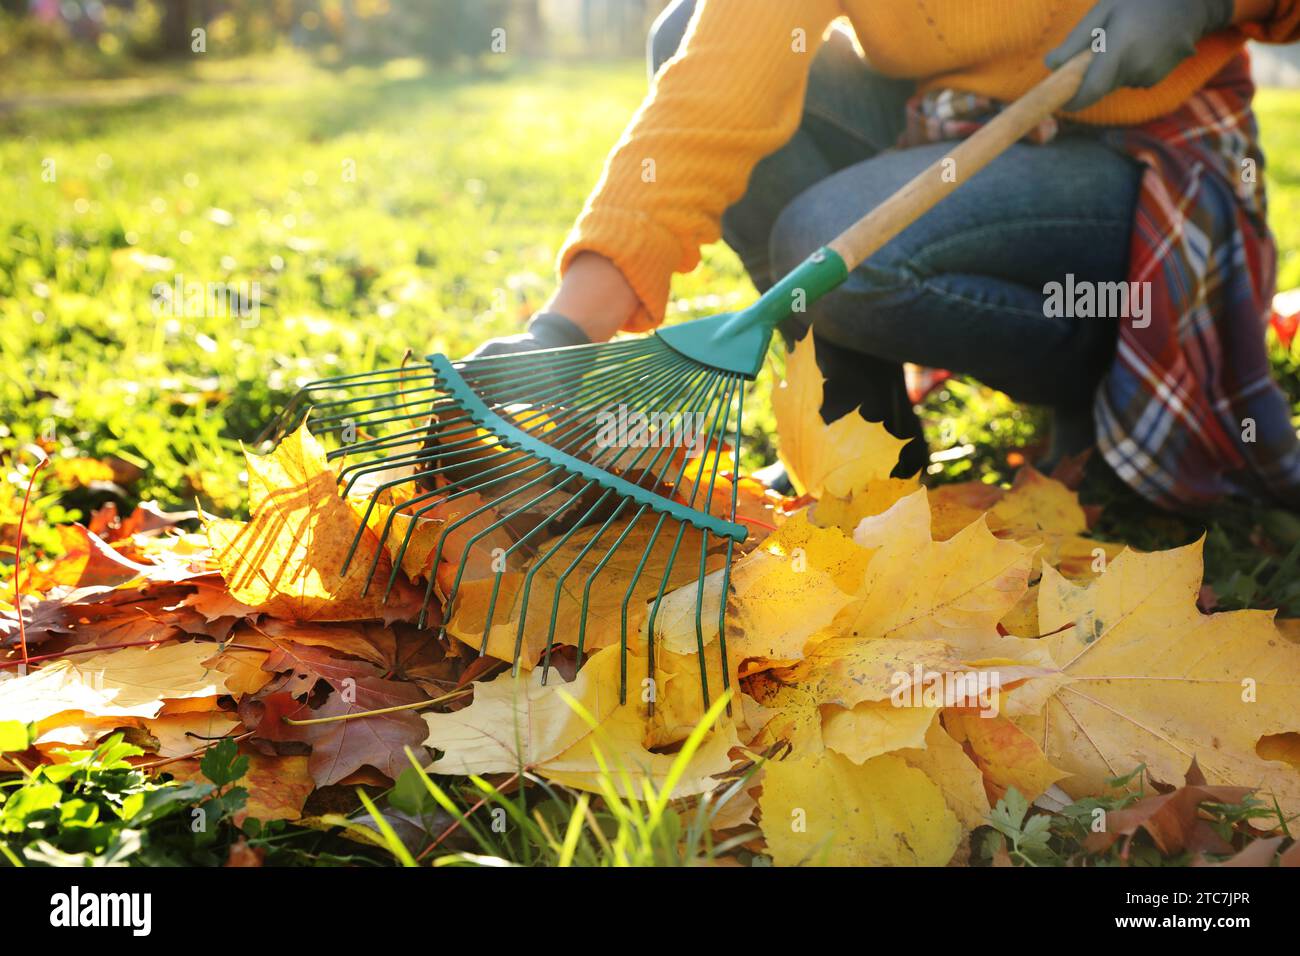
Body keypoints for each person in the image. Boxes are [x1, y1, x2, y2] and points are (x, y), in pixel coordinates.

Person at [473, 0, 1300, 510]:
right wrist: (563, 332)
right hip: (953, 127)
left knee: (830, 245)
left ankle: (1106, 363)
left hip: (1143, 152)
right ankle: (863, 447)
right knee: (691, 25)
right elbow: (711, 100)